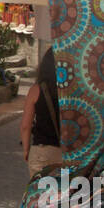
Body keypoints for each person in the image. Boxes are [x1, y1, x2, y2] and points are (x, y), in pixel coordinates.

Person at [20, 46, 63, 176]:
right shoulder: (71, 91)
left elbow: (25, 126)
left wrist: (26, 150)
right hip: (66, 153)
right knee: (65, 194)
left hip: (41, 152)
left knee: (41, 195)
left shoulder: (35, 90)